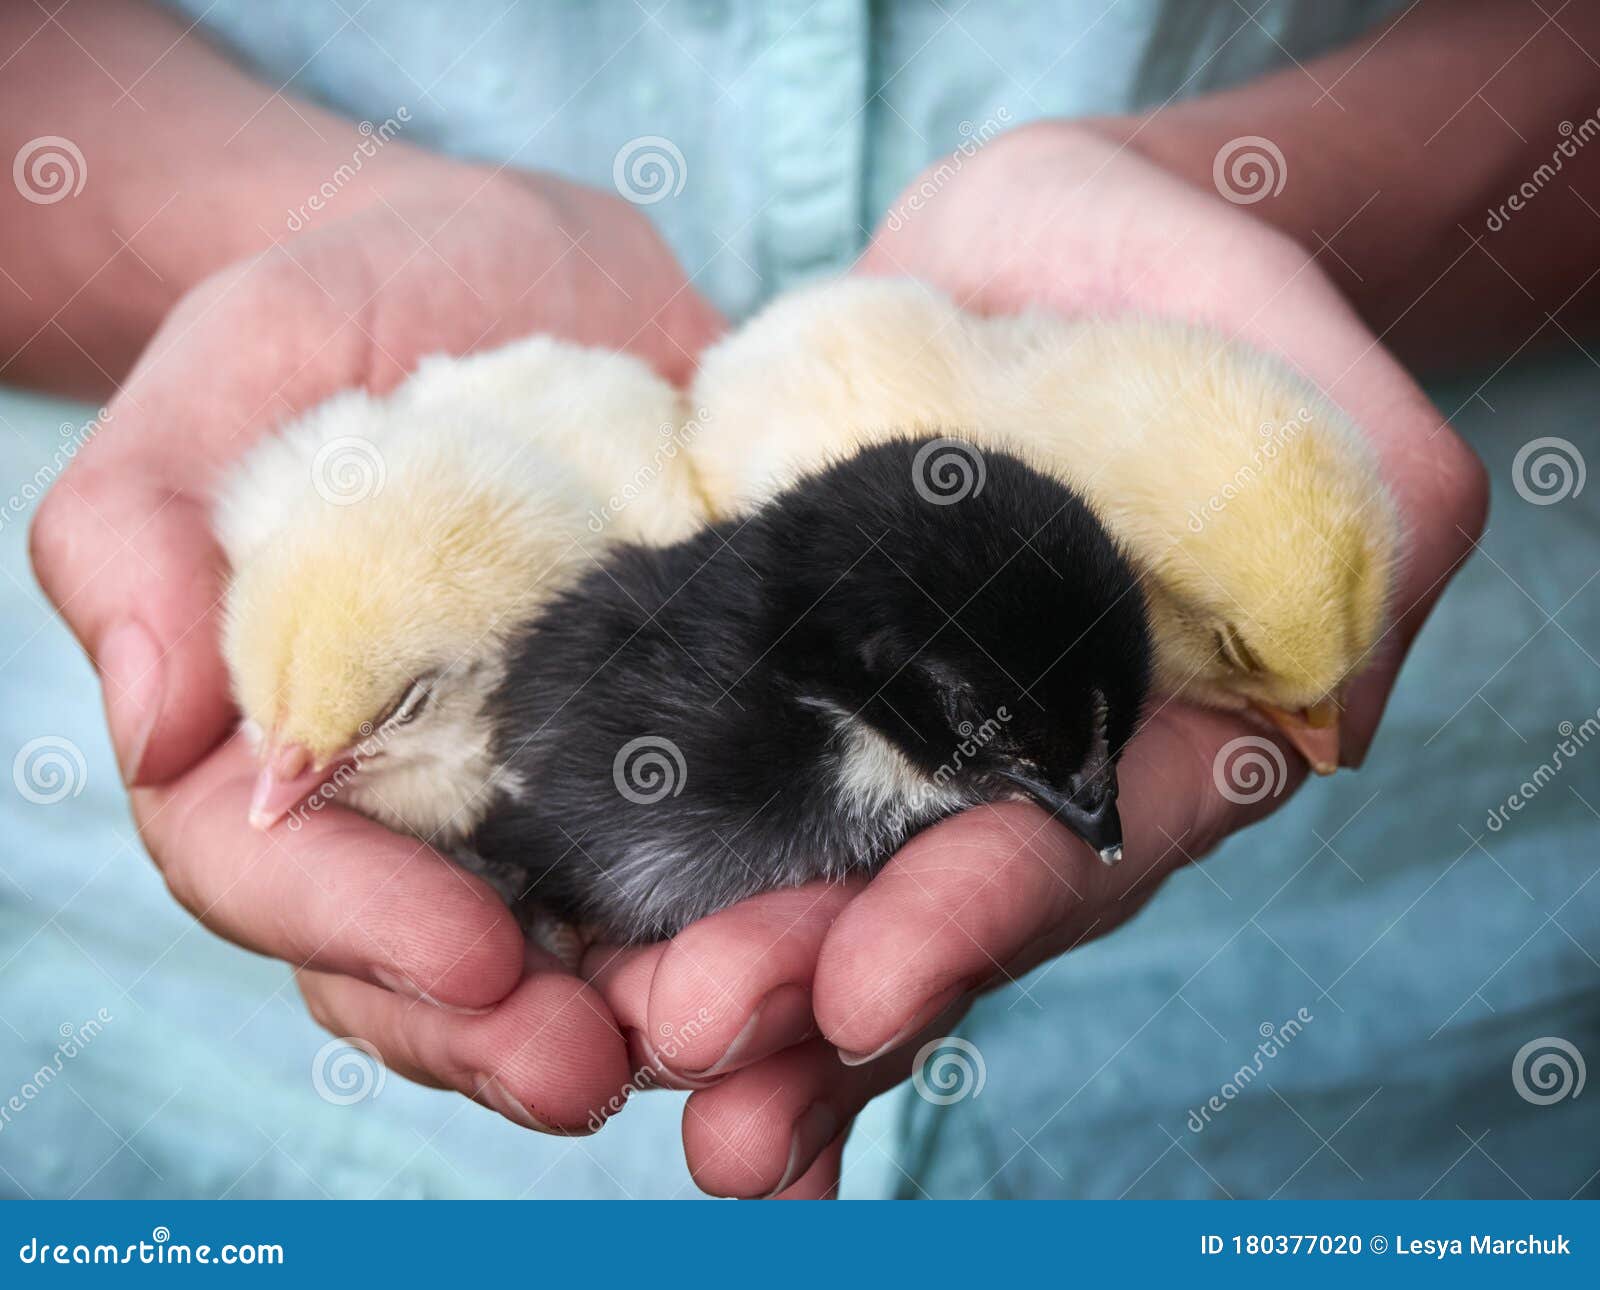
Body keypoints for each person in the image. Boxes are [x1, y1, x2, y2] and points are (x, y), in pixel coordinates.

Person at [6, 0, 1596, 1198]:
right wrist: (294, 225)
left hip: (1384, 1037)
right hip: (188, 1085)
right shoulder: (629, 615)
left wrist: (1256, 192)